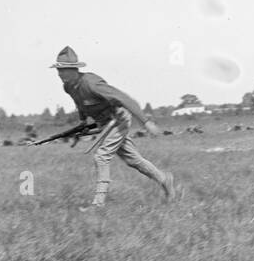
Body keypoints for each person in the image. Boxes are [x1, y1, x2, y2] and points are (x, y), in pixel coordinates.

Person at [49, 46, 174, 211]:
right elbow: (80, 102)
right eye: (58, 69)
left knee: (101, 157)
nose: (59, 73)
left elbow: (124, 99)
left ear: (74, 69)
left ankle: (98, 205)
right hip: (104, 123)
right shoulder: (68, 86)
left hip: (118, 119)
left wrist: (146, 122)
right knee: (133, 160)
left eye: (63, 70)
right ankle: (165, 179)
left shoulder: (91, 83)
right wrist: (83, 122)